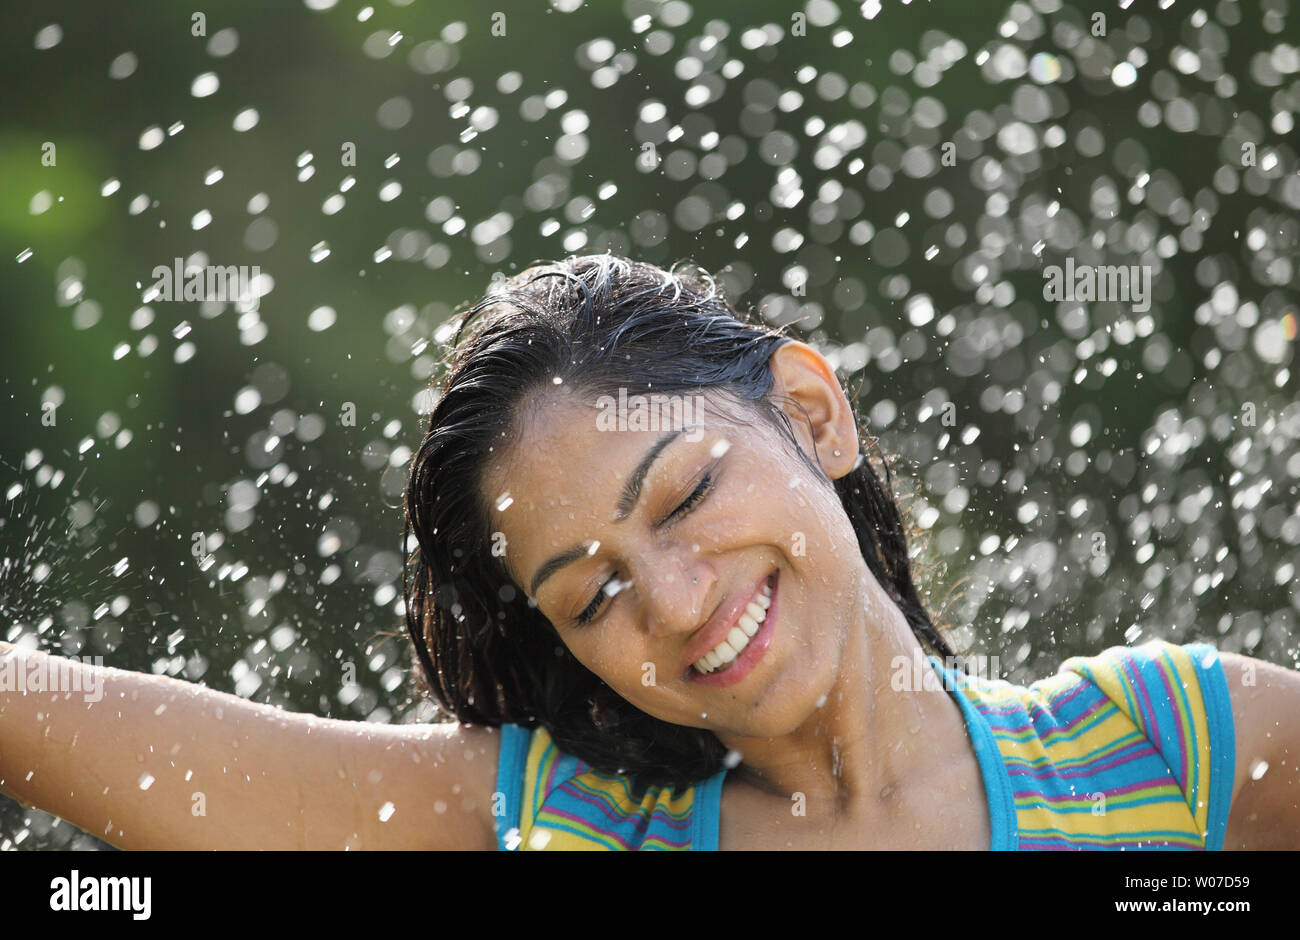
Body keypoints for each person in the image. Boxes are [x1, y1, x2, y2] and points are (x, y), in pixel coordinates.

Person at [1, 253, 1296, 850]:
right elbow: (55, 718)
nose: (676, 602)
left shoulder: (1182, 749)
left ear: (810, 411)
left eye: (682, 498)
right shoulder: (564, 824)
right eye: (594, 594)